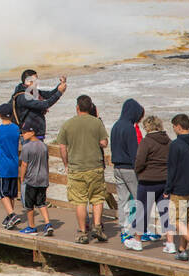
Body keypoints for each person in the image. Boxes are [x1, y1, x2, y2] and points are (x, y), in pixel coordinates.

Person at [56, 95, 109, 245]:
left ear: (77, 108)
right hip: (95, 166)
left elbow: (62, 147)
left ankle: (82, 232)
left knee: (80, 201)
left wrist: (66, 164)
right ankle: (97, 227)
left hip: (76, 167)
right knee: (97, 198)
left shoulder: (68, 124)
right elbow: (104, 143)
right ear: (91, 107)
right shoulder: (97, 123)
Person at [165, 113, 189, 262]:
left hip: (180, 187)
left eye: (174, 127)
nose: (173, 130)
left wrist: (167, 189)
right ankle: (182, 249)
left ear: (179, 127)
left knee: (175, 219)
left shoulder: (176, 145)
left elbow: (172, 169)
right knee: (186, 218)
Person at [109, 99, 145, 250]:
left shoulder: (115, 125)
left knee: (122, 200)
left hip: (117, 167)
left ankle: (124, 231)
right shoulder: (129, 128)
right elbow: (134, 152)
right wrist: (140, 169)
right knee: (139, 200)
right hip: (129, 169)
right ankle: (138, 231)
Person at [133, 114, 170, 245]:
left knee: (142, 210)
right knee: (164, 211)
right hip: (164, 181)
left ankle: (137, 241)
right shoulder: (168, 141)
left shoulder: (146, 141)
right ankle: (170, 242)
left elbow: (139, 162)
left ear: (147, 127)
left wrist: (139, 172)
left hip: (147, 180)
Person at [0, 103, 22, 229]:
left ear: (0, 115)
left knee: (2, 193)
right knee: (11, 193)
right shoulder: (16, 129)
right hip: (14, 165)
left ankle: (12, 215)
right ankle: (10, 217)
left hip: (2, 166)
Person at [10, 69, 66, 140]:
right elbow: (45, 104)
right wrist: (59, 93)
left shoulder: (32, 91)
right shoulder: (23, 96)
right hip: (28, 136)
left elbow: (49, 94)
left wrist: (61, 85)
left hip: (36, 133)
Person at [19, 126, 52, 235]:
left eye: (24, 132)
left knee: (29, 205)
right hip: (43, 178)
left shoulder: (26, 147)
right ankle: (48, 224)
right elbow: (46, 162)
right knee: (41, 202)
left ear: (32, 132)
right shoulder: (44, 146)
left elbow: (24, 164)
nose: (23, 134)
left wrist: (22, 177)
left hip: (31, 179)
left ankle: (31, 227)